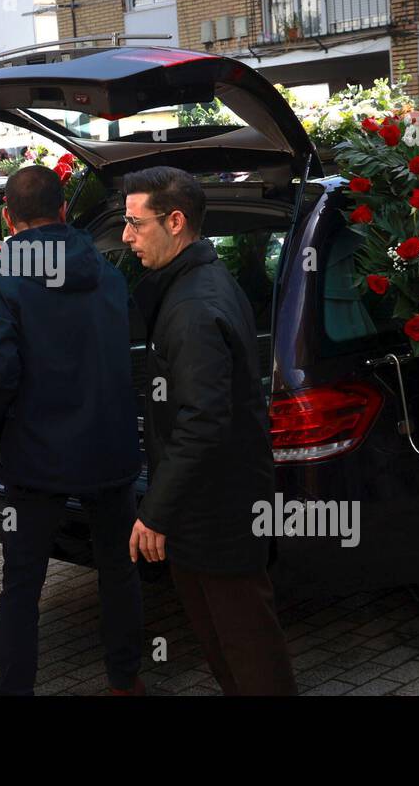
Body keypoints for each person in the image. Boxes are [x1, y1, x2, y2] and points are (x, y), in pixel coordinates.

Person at [0, 165, 144, 695]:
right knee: (118, 569)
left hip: (36, 452)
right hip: (109, 444)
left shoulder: (0, 275)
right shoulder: (108, 266)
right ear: (64, 210)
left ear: (7, 219)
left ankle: (16, 688)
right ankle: (125, 680)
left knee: (22, 580)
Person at [121, 167, 296, 696]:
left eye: (135, 223)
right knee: (225, 644)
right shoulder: (194, 285)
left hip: (220, 510)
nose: (127, 237)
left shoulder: (195, 305)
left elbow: (202, 420)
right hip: (208, 507)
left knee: (248, 648)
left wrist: (155, 511)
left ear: (175, 222)